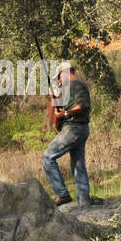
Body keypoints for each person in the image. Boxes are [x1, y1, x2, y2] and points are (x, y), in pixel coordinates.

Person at [42, 63, 94, 206]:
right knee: (78, 165)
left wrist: (64, 113)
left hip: (74, 128)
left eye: (59, 78)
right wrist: (54, 99)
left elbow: (83, 105)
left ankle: (62, 194)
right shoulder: (68, 89)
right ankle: (84, 202)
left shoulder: (76, 84)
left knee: (48, 157)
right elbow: (58, 116)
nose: (58, 82)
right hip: (76, 128)